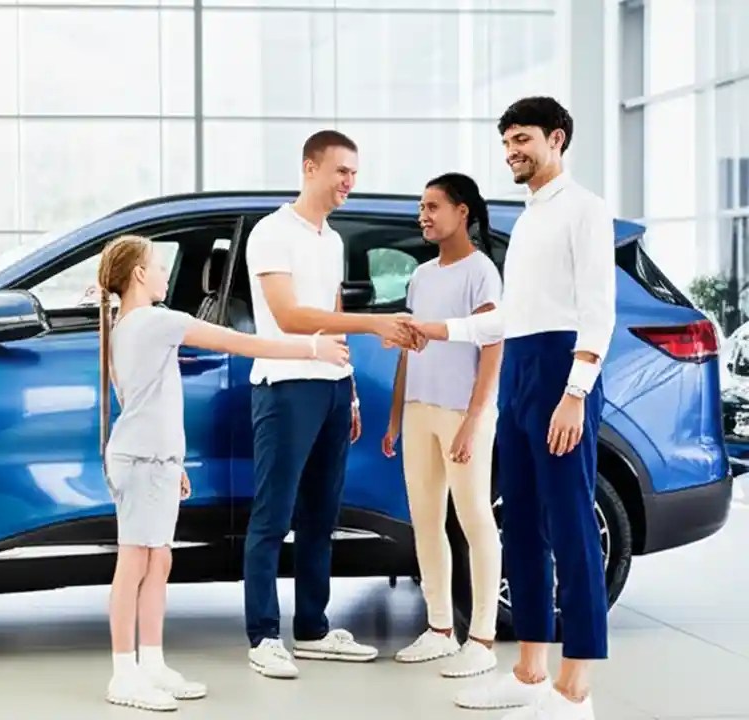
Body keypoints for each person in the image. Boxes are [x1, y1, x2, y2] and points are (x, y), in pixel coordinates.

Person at [409, 97, 616, 720]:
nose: (511, 152)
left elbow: (597, 311)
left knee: (573, 525)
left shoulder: (585, 209)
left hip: (560, 374)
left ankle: (574, 687)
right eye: (505, 143)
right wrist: (437, 331)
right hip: (522, 371)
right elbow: (509, 319)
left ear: (557, 138)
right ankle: (529, 671)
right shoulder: (527, 221)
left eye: (521, 139)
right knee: (521, 526)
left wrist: (575, 393)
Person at [96, 234, 352, 712]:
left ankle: (150, 662)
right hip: (141, 462)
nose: (164, 273)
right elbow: (237, 341)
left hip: (153, 460)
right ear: (137, 275)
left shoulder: (128, 324)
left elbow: (142, 401)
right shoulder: (155, 321)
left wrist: (173, 462)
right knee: (134, 564)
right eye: (156, 265)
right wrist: (310, 348)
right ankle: (123, 673)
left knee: (158, 563)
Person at [241, 129, 423, 680]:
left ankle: (314, 629)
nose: (349, 182)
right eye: (341, 171)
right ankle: (264, 636)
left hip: (329, 385)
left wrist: (346, 384)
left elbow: (330, 308)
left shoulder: (331, 239)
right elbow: (291, 316)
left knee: (321, 517)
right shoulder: (271, 233)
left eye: (355, 174)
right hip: (285, 384)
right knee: (272, 517)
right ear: (309, 168)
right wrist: (373, 324)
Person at [382, 172, 504, 678]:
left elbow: (493, 346)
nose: (424, 215)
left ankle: (482, 637)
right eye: (421, 207)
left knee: (474, 519)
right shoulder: (423, 275)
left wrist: (474, 421)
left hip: (461, 413)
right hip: (419, 412)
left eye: (433, 206)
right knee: (426, 520)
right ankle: (439, 630)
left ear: (463, 213)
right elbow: (411, 349)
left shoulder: (482, 273)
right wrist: (395, 416)